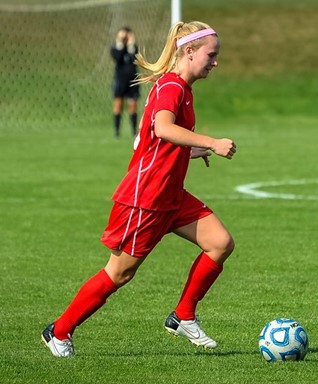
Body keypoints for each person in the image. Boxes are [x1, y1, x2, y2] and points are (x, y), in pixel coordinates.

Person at [42, 21, 236, 357]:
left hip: (171, 196)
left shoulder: (181, 89)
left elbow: (151, 143)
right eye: (211, 54)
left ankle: (183, 315)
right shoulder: (172, 87)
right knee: (119, 273)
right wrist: (211, 142)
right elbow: (162, 129)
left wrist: (191, 151)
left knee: (220, 243)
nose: (215, 62)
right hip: (146, 198)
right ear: (190, 52)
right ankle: (58, 332)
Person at [111, 26, 140, 138]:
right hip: (120, 81)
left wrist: (131, 44)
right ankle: (117, 131)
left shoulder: (134, 48)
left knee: (132, 105)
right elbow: (118, 58)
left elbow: (135, 59)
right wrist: (121, 43)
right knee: (118, 105)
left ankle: (134, 130)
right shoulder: (115, 48)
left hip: (132, 80)